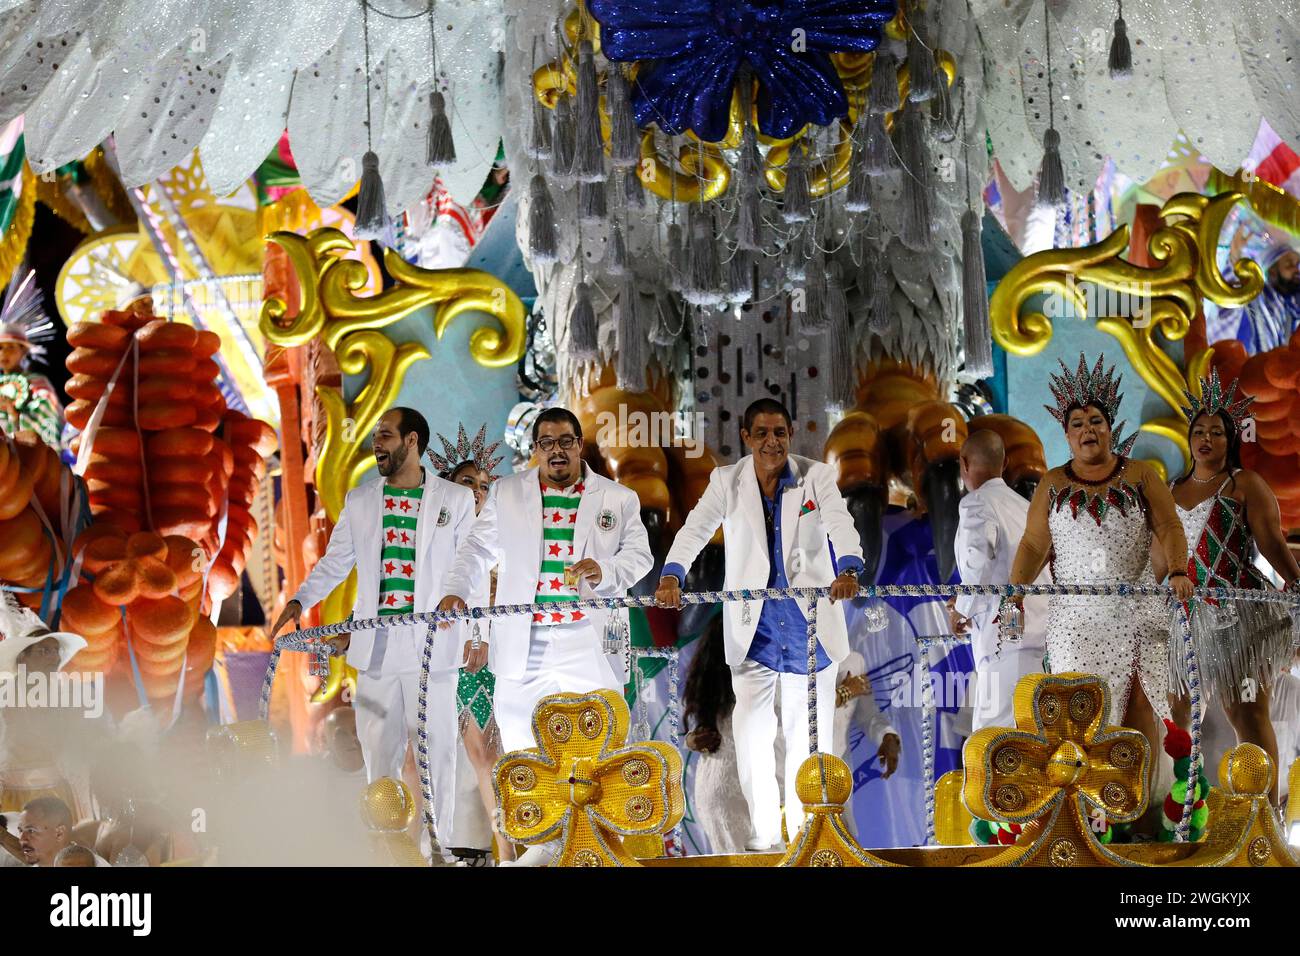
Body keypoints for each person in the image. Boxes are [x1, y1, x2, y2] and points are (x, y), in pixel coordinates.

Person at [438, 407, 653, 866]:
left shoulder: (617, 498)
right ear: (536, 449)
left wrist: (606, 569)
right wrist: (455, 590)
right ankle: (540, 848)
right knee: (522, 749)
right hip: (524, 641)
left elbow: (640, 555)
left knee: (601, 745)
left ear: (579, 445)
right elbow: (477, 548)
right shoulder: (508, 493)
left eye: (566, 441)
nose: (557, 450)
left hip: (587, 639)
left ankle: (601, 845)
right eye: (547, 442)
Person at [655, 398, 864, 851]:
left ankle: (806, 834)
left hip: (811, 630)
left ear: (790, 435)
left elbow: (839, 523)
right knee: (752, 735)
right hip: (754, 629)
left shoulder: (817, 476)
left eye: (781, 433)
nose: (773, 441)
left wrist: (848, 567)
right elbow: (694, 529)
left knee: (810, 739)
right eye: (763, 433)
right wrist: (672, 573)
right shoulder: (725, 482)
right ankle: (766, 839)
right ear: (746, 438)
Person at [269, 407, 477, 857]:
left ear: (413, 441)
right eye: (375, 437)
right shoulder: (361, 501)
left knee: (437, 756)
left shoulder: (455, 501)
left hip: (433, 650)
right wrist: (299, 601)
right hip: (377, 651)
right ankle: (386, 854)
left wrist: (475, 634)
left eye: (385, 435)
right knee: (379, 758)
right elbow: (336, 562)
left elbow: (471, 570)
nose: (376, 445)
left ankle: (435, 853)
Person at [1009, 355, 1192, 816]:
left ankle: (1139, 814)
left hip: (1136, 617)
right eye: (1077, 423)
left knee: (1138, 715)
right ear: (1066, 435)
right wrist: (1014, 593)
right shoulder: (1051, 483)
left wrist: (1177, 570)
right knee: (1078, 720)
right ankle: (1085, 818)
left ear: (1110, 429)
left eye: (1096, 421)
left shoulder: (1141, 475)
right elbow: (1033, 545)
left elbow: (1170, 525)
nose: (1088, 429)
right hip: (1074, 623)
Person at [1154, 370, 1300, 806]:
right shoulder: (1169, 491)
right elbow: (1158, 563)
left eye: (1216, 432)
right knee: (1176, 718)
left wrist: (1296, 585)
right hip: (1182, 618)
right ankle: (1178, 812)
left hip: (1242, 615)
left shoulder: (1246, 485)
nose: (1206, 439)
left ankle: (1266, 817)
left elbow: (1273, 544)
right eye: (1199, 431)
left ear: (1230, 438)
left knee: (1249, 714)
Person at [427, 423, 515, 863]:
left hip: (487, 657)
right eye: (468, 483)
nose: (478, 492)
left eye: (484, 485)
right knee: (434, 758)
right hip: (440, 659)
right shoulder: (434, 537)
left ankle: (508, 850)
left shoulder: (498, 540)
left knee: (492, 754)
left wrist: (482, 636)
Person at [947, 430, 1049, 732]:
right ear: (1004, 464)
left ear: (963, 463)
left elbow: (977, 559)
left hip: (1005, 633)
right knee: (1030, 734)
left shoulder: (975, 503)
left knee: (995, 738)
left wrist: (961, 610)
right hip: (1041, 633)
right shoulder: (1025, 506)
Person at [682, 615, 748, 855]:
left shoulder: (713, 680)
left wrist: (691, 740)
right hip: (744, 786)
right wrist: (845, 692)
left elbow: (701, 733)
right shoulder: (757, 674)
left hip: (713, 785)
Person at [0, 269, 62, 447]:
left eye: (10, 347)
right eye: (0, 348)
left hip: (27, 457)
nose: (4, 354)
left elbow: (49, 417)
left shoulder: (38, 383)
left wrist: (15, 414)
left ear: (23, 351)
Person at [1218, 244, 1300, 355]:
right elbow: (1228, 302)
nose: (1297, 270)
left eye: (1298, 264)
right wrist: (1233, 259)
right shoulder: (1254, 295)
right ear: (1272, 271)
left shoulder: (1293, 308)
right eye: (1289, 264)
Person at [0, 797, 108, 867]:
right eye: (21, 830)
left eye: (31, 831)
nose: (22, 839)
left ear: (59, 833)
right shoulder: (45, 858)